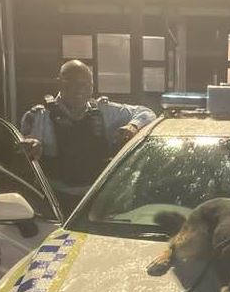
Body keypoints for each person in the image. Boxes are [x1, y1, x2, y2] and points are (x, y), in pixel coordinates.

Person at [20, 59, 156, 206]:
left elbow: (147, 113)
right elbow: (27, 149)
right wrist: (32, 147)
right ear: (60, 84)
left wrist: (133, 126)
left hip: (98, 199)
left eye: (87, 85)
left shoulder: (103, 111)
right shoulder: (39, 116)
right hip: (56, 202)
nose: (80, 90)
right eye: (73, 84)